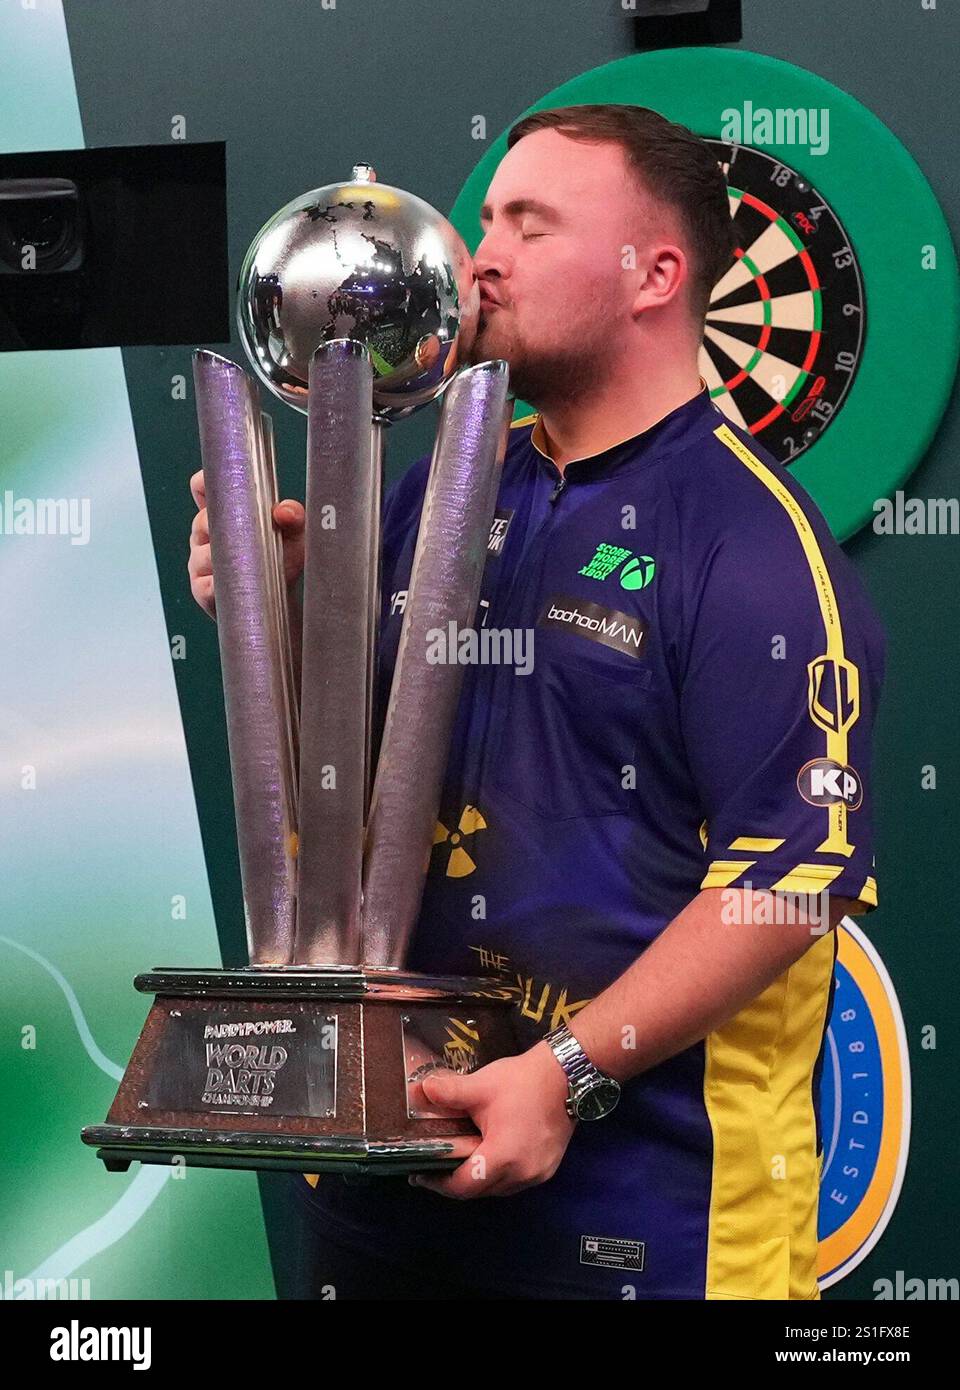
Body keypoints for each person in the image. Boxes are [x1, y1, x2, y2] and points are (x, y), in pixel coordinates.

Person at [188, 104, 885, 1301]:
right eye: (484, 221)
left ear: (655, 274)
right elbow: (352, 791)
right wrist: (275, 611)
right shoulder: (438, 494)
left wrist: (563, 1071)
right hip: (383, 1193)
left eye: (529, 222)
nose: (480, 257)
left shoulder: (749, 544)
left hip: (643, 1226)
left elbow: (791, 880)